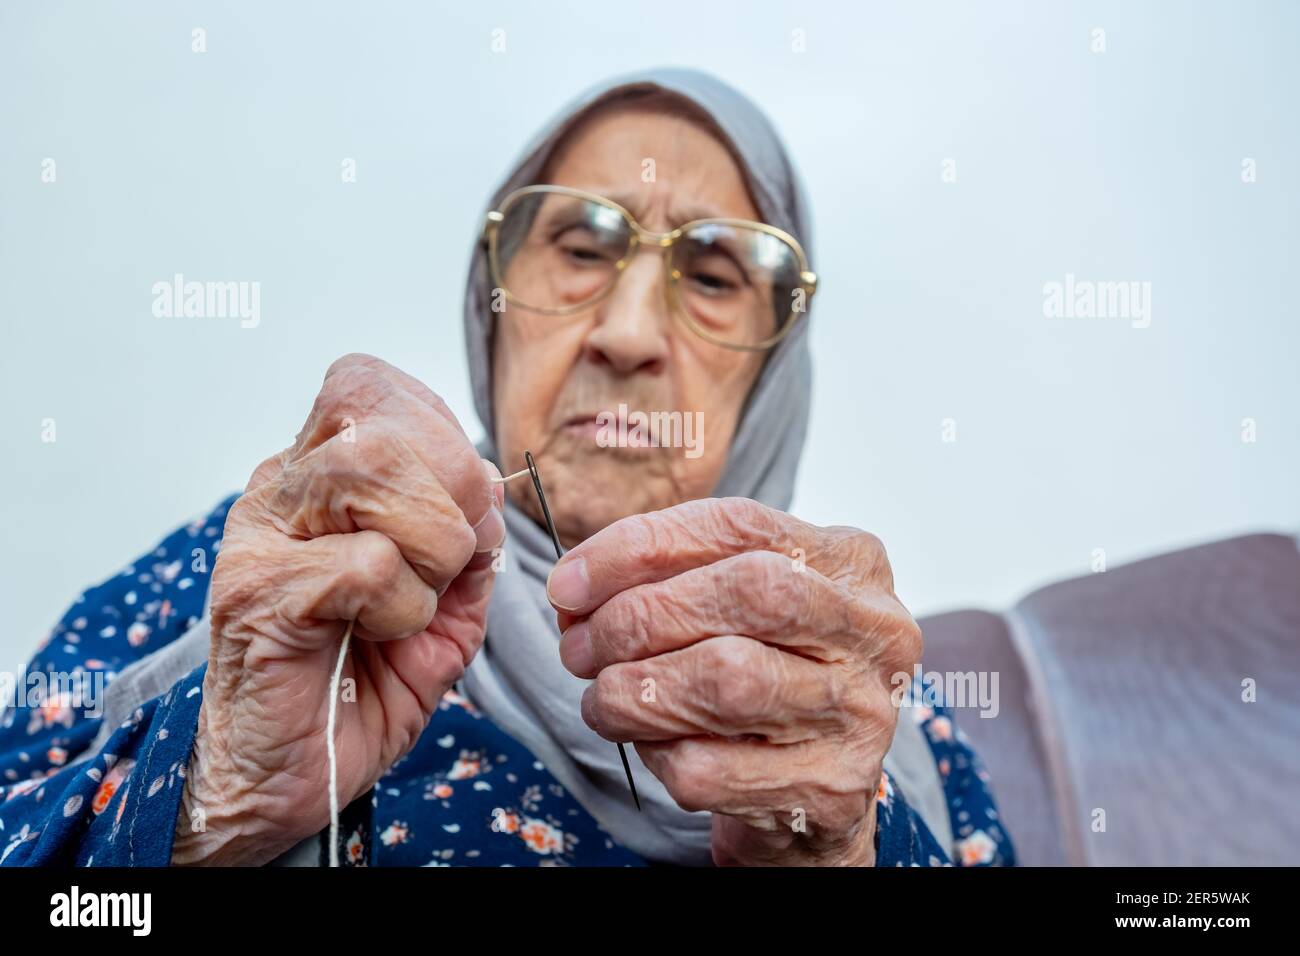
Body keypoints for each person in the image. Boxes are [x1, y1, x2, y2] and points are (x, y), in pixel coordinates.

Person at [0, 69, 1013, 867]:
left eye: (710, 274)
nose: (625, 333)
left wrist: (830, 852)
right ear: (493, 301)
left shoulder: (871, 699)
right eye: (580, 248)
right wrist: (219, 796)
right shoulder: (282, 572)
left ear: (776, 370)